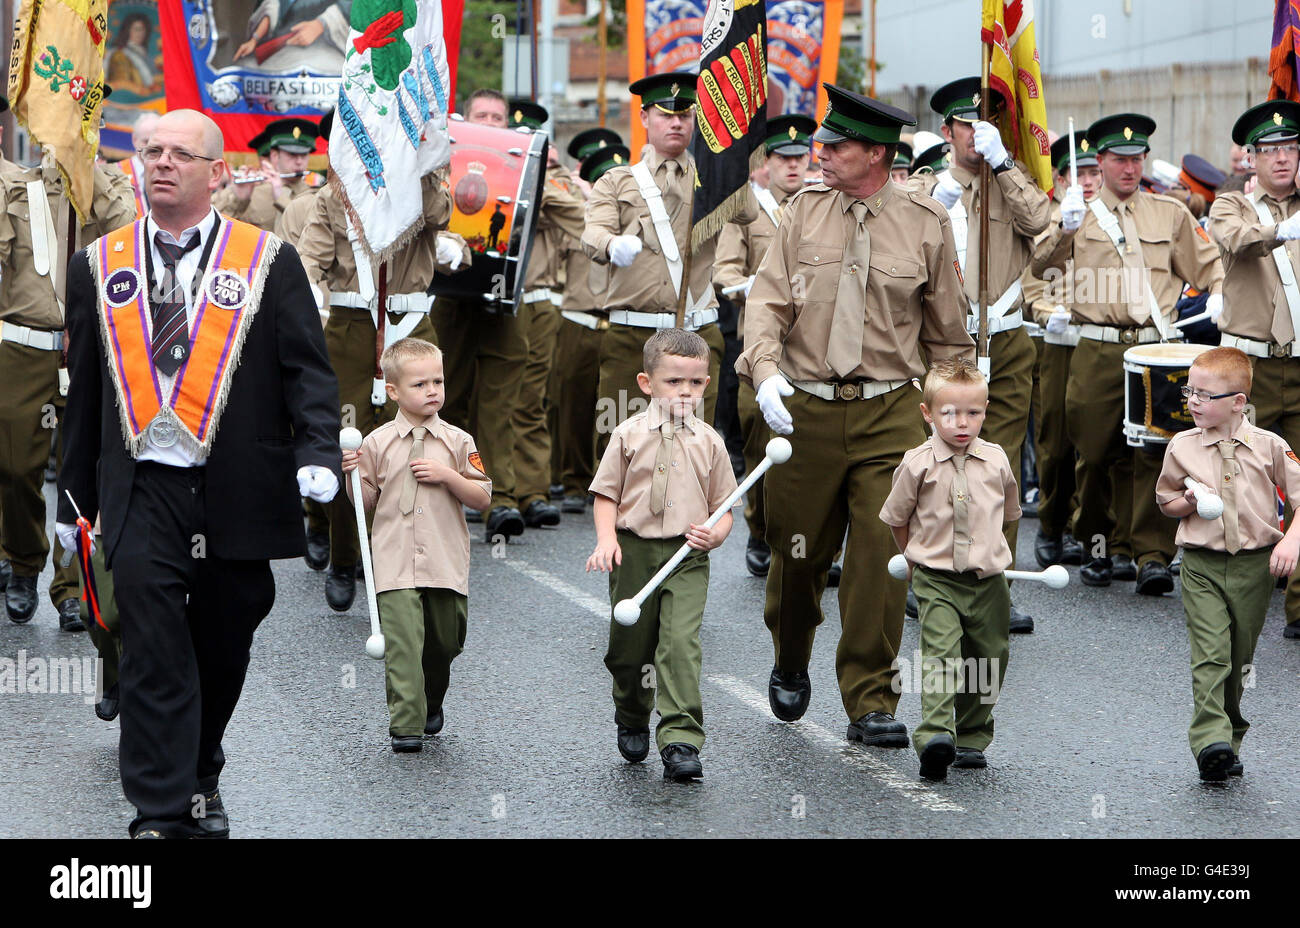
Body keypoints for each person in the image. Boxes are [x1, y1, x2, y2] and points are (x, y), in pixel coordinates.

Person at [55, 109, 342, 838]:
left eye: (181, 154)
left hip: (235, 487)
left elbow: (306, 368)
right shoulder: (100, 263)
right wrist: (73, 495)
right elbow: (83, 386)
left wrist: (316, 451)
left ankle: (201, 763)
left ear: (217, 174)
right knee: (152, 645)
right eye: (150, 151)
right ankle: (160, 809)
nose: (160, 163)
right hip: (143, 487)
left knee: (224, 637)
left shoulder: (267, 260)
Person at [737, 83, 972, 743]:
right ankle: (789, 655)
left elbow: (948, 336)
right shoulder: (802, 214)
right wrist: (766, 373)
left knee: (881, 557)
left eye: (836, 145)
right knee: (796, 558)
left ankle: (871, 698)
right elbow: (767, 305)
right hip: (804, 411)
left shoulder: (926, 223)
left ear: (875, 154)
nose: (823, 154)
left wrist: (954, 414)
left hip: (891, 413)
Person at [1031, 113, 1224, 595]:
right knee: (1095, 453)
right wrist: (1064, 229)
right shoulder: (1074, 213)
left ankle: (1151, 555)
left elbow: (1208, 265)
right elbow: (1038, 264)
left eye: (1137, 159)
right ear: (1100, 161)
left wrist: (1218, 292)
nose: (1130, 168)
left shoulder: (1170, 213)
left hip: (1155, 346)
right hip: (1095, 345)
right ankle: (1099, 543)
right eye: (1119, 159)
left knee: (1155, 454)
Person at [297, 147, 462, 611]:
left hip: (411, 329)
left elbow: (439, 212)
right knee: (349, 446)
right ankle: (346, 558)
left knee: (416, 445)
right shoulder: (334, 196)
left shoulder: (423, 185)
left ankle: (406, 562)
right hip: (350, 332)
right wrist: (306, 286)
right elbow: (312, 254)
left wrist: (421, 166)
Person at [923, 77, 1051, 634]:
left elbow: (1041, 224)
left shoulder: (1010, 183)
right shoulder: (929, 186)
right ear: (947, 130)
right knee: (942, 459)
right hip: (949, 345)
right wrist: (941, 200)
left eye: (986, 126)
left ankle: (996, 580)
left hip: (1006, 338)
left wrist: (1003, 164)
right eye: (966, 125)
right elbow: (905, 243)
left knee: (999, 460)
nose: (976, 135)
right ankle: (932, 575)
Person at [433, 88, 584, 542]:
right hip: (453, 297)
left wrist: (544, 186)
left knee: (503, 404)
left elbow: (576, 214)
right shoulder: (442, 162)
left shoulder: (529, 172)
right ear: (465, 120)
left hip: (504, 300)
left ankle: (499, 500)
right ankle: (443, 496)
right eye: (482, 115)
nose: (491, 123)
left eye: (498, 117)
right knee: (445, 400)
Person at [586, 328, 737, 782]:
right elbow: (605, 495)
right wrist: (606, 539)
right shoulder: (627, 435)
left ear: (706, 385)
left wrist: (716, 536)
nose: (685, 392)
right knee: (629, 651)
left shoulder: (710, 441)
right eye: (674, 382)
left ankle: (681, 739)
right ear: (646, 383)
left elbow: (724, 507)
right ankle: (631, 711)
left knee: (679, 645)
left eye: (694, 383)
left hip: (687, 558)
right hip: (632, 551)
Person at [0, 148, 136, 629]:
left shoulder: (109, 187)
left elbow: (128, 234)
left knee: (85, 466)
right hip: (24, 346)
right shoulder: (15, 188)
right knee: (17, 467)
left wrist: (87, 175)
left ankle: (73, 585)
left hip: (91, 346)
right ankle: (21, 561)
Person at [582, 72, 755, 447]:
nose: (676, 122)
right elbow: (591, 235)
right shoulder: (617, 180)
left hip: (696, 332)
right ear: (644, 118)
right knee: (619, 446)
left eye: (685, 114)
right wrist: (612, 245)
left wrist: (731, 158)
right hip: (633, 334)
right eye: (665, 114)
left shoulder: (712, 177)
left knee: (693, 449)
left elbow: (749, 212)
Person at [1154, 347, 1300, 780]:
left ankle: (1229, 736)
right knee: (1211, 654)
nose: (1193, 402)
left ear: (1239, 402)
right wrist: (1190, 501)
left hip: (1255, 566)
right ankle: (1209, 741)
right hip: (1200, 563)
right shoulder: (1181, 446)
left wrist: (1290, 542)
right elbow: (1167, 503)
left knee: (1239, 659)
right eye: (1189, 392)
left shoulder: (1270, 446)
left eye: (1205, 395)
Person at [343, 338, 491, 752]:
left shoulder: (459, 441)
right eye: (420, 384)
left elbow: (482, 497)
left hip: (444, 560)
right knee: (404, 643)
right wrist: (353, 478)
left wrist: (448, 476)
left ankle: (431, 699)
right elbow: (366, 505)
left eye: (438, 382)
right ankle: (405, 725)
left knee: (444, 641)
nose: (432, 391)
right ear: (393, 391)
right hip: (393, 559)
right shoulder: (376, 443)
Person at [880, 358, 1020, 780]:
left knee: (989, 656)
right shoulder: (917, 463)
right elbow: (896, 518)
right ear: (927, 413)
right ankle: (936, 736)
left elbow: (1008, 514)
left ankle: (972, 736)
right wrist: (916, 559)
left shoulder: (996, 460)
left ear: (986, 410)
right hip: (936, 579)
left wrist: (987, 551)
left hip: (989, 581)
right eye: (950, 413)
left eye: (974, 413)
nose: (963, 423)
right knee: (942, 656)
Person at [1208, 99, 1300, 641]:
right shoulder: (1231, 206)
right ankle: (1244, 590)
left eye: (1291, 148)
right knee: (1252, 480)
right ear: (1252, 159)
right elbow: (1235, 241)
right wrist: (1282, 233)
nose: (1283, 159)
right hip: (1253, 367)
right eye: (1272, 150)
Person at [714, 114, 814, 579]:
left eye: (801, 157)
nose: (794, 167)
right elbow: (724, 273)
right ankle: (759, 532)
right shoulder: (746, 211)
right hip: (760, 342)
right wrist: (751, 284)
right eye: (784, 158)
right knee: (759, 442)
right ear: (766, 162)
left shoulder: (825, 204)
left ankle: (808, 540)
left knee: (811, 447)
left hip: (814, 348)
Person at [509, 101, 587, 529]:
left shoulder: (555, 183)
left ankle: (533, 491)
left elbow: (577, 213)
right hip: (494, 297)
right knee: (491, 397)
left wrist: (538, 193)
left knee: (532, 399)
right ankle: (491, 488)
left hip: (539, 296)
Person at [1026, 132, 1099, 570]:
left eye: (1093, 172)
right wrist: (1044, 310)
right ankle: (1052, 526)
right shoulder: (1050, 219)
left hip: (1100, 340)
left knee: (1096, 442)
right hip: (1058, 340)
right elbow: (1032, 283)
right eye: (1078, 172)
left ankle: (1084, 531)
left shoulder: (1118, 221)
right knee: (1055, 441)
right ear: (1061, 177)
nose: (1087, 181)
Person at [552, 131, 624, 516]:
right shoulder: (577, 214)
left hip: (620, 321)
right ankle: (575, 480)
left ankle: (607, 480)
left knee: (613, 407)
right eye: (600, 180)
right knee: (573, 405)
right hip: (579, 318)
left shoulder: (633, 216)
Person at [213, 117, 322, 234]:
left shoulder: (316, 196)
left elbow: (314, 231)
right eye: (292, 155)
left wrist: (281, 198)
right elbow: (218, 230)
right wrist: (239, 199)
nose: (299, 161)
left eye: (304, 155)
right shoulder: (255, 192)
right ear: (275, 156)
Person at [119, 112, 161, 219]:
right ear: (134, 140)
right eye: (146, 141)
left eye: (156, 141)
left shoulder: (172, 172)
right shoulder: (117, 173)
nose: (151, 147)